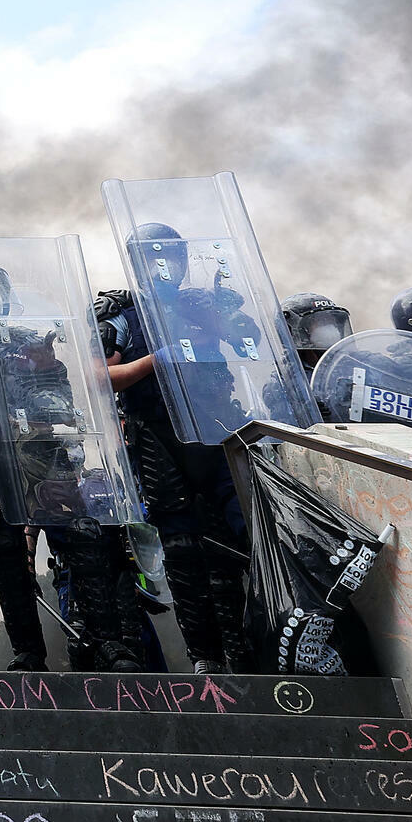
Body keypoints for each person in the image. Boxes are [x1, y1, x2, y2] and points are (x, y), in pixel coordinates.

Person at [0, 265, 141, 673]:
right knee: (7, 559)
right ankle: (28, 652)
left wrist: (42, 376)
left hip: (44, 451)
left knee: (83, 539)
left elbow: (61, 390)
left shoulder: (26, 338)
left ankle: (108, 643)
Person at [100, 271, 251, 673]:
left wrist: (224, 316)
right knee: (181, 549)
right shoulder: (121, 314)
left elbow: (248, 342)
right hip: (158, 437)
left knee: (241, 535)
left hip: (215, 428)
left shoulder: (199, 302)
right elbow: (102, 376)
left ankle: (250, 650)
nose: (166, 265)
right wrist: (158, 359)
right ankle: (205, 656)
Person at [279, 293, 352, 372]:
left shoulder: (353, 363)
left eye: (331, 321)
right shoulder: (287, 374)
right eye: (320, 321)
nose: (330, 327)